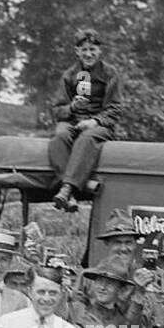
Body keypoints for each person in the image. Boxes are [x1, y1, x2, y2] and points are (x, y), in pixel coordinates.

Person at [49, 29, 123, 212]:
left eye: (92, 49)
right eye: (84, 50)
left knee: (86, 138)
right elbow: (57, 110)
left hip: (100, 125)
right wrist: (72, 108)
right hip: (73, 121)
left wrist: (95, 121)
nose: (88, 54)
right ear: (77, 51)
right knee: (59, 137)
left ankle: (66, 189)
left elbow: (115, 108)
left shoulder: (110, 73)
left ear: (100, 51)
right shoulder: (69, 75)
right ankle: (70, 195)